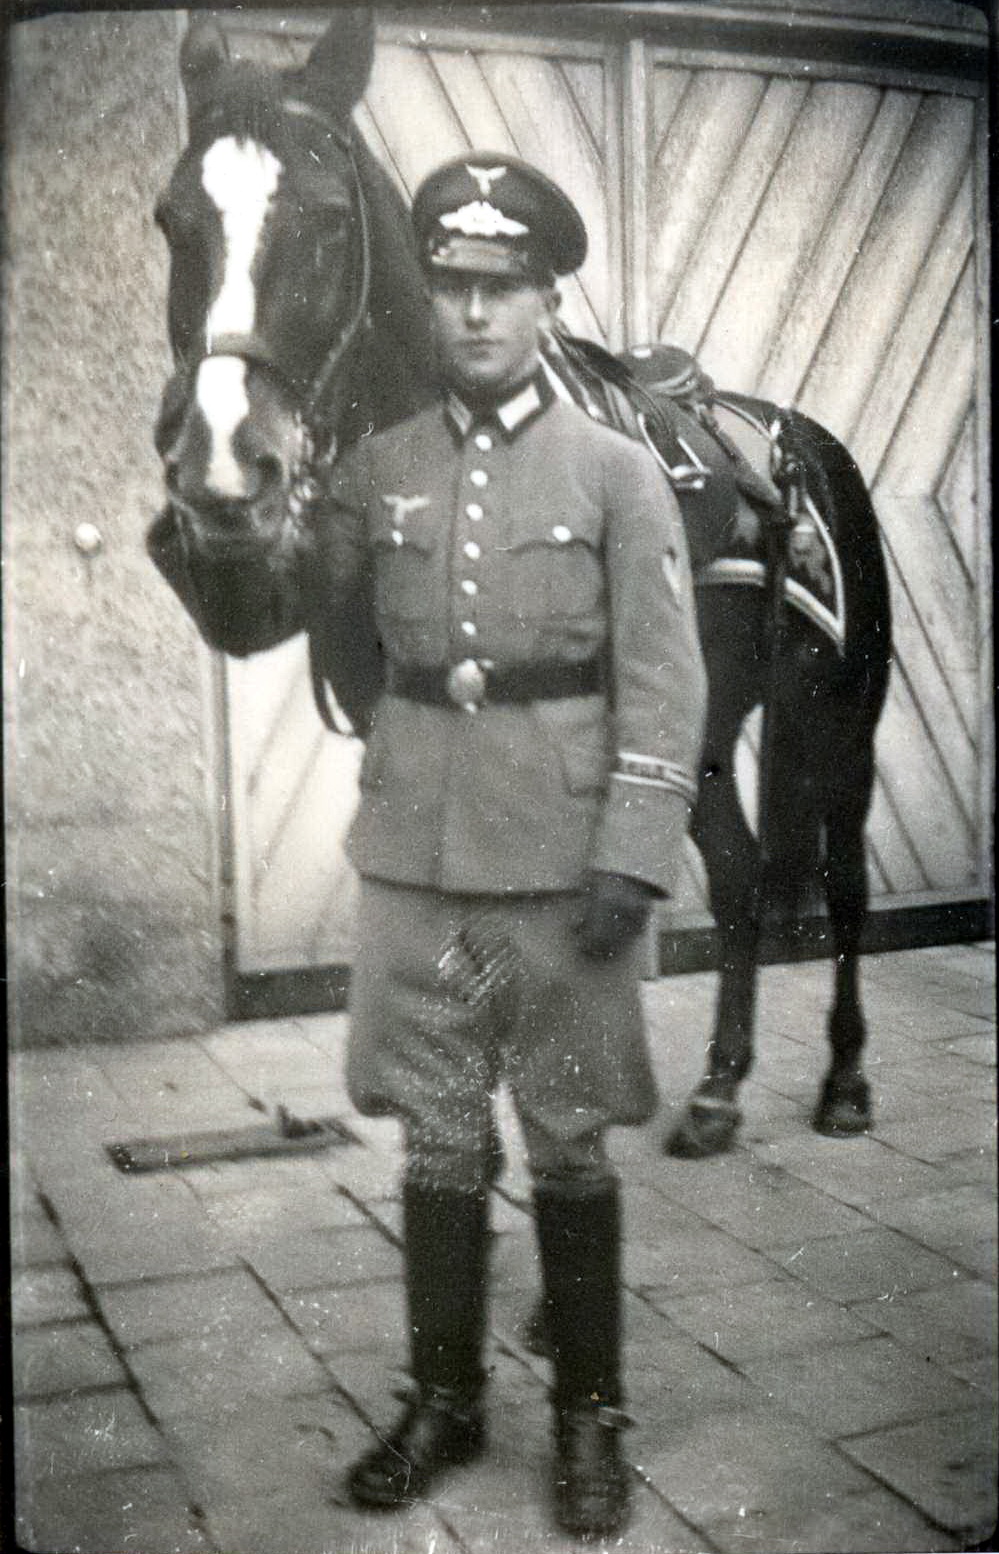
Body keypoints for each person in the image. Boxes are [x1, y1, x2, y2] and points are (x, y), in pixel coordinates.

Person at [153, 152, 707, 1540]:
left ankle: (591, 1415)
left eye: (499, 286)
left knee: (570, 1146)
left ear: (543, 294)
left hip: (567, 870)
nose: (471, 314)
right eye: (452, 284)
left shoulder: (619, 473)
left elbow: (665, 680)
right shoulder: (375, 470)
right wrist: (210, 508)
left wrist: (633, 853)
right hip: (416, 865)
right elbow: (267, 610)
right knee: (440, 1144)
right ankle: (446, 1399)